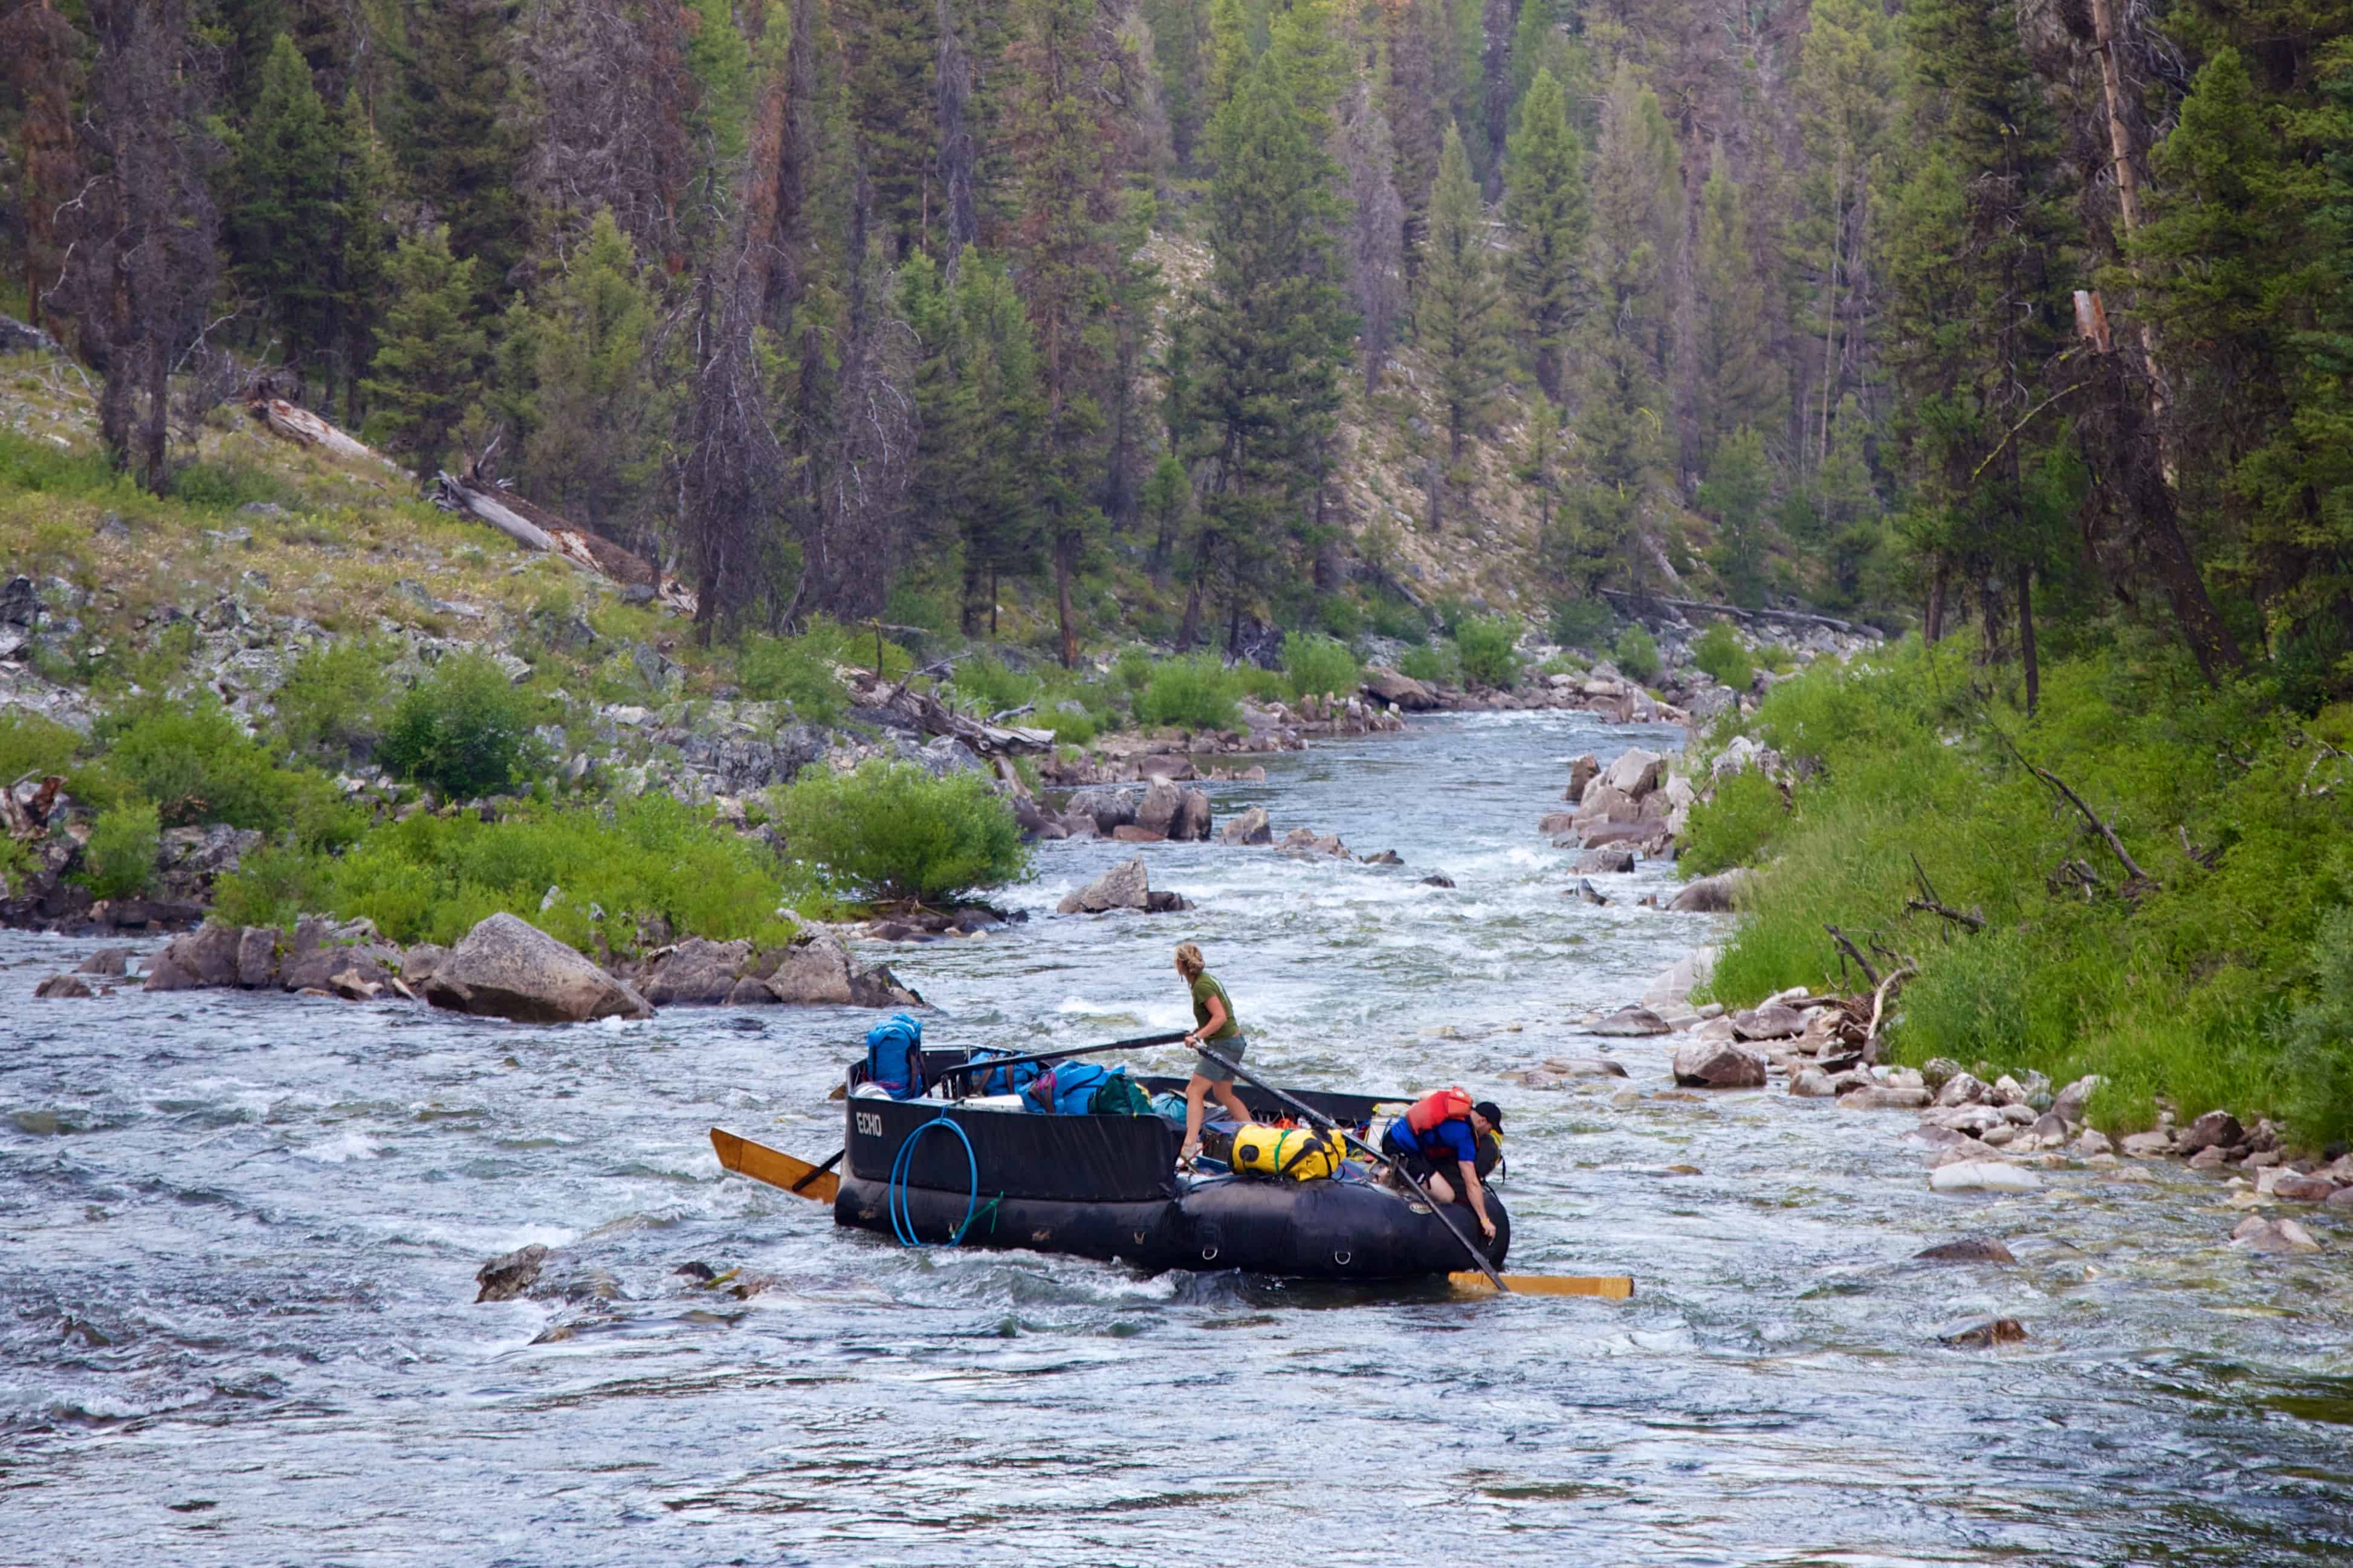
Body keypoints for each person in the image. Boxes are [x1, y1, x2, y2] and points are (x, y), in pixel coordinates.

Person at [1379, 1089, 1501, 1243]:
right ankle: (1396, 1174)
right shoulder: (1465, 1136)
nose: (1487, 1134)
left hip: (1398, 1136)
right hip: (1401, 1148)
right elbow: (1471, 1181)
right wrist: (1484, 1220)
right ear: (1482, 1121)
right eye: (1490, 1129)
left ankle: (1397, 1170)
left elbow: (1424, 1094)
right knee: (1447, 1195)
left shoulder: (1459, 1109)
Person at [1174, 943, 1252, 1163]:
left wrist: (1198, 1037)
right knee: (1223, 1094)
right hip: (1234, 1042)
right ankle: (1254, 1132)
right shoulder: (1205, 980)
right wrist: (1199, 1032)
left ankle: (1189, 1146)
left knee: (1194, 1091)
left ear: (1180, 964)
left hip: (1224, 1045)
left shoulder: (1202, 986)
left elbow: (1220, 1018)